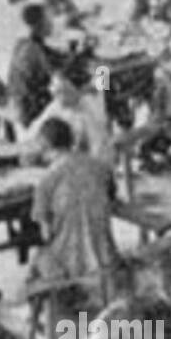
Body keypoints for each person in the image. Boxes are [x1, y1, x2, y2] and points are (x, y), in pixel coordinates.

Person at [28, 115, 119, 312]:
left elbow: (46, 233)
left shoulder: (46, 179)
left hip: (69, 261)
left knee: (37, 259)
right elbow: (112, 197)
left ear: (44, 144)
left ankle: (54, 313)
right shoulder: (100, 166)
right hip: (105, 253)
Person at [26, 67, 112, 165]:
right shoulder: (56, 106)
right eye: (52, 88)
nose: (53, 92)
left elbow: (103, 69)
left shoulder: (90, 108)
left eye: (61, 91)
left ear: (78, 90)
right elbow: (31, 136)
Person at [7, 4, 64, 128]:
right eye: (49, 20)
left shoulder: (23, 42)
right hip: (34, 113)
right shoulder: (33, 51)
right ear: (40, 25)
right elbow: (60, 82)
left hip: (23, 102)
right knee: (99, 84)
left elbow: (51, 56)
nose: (52, 24)